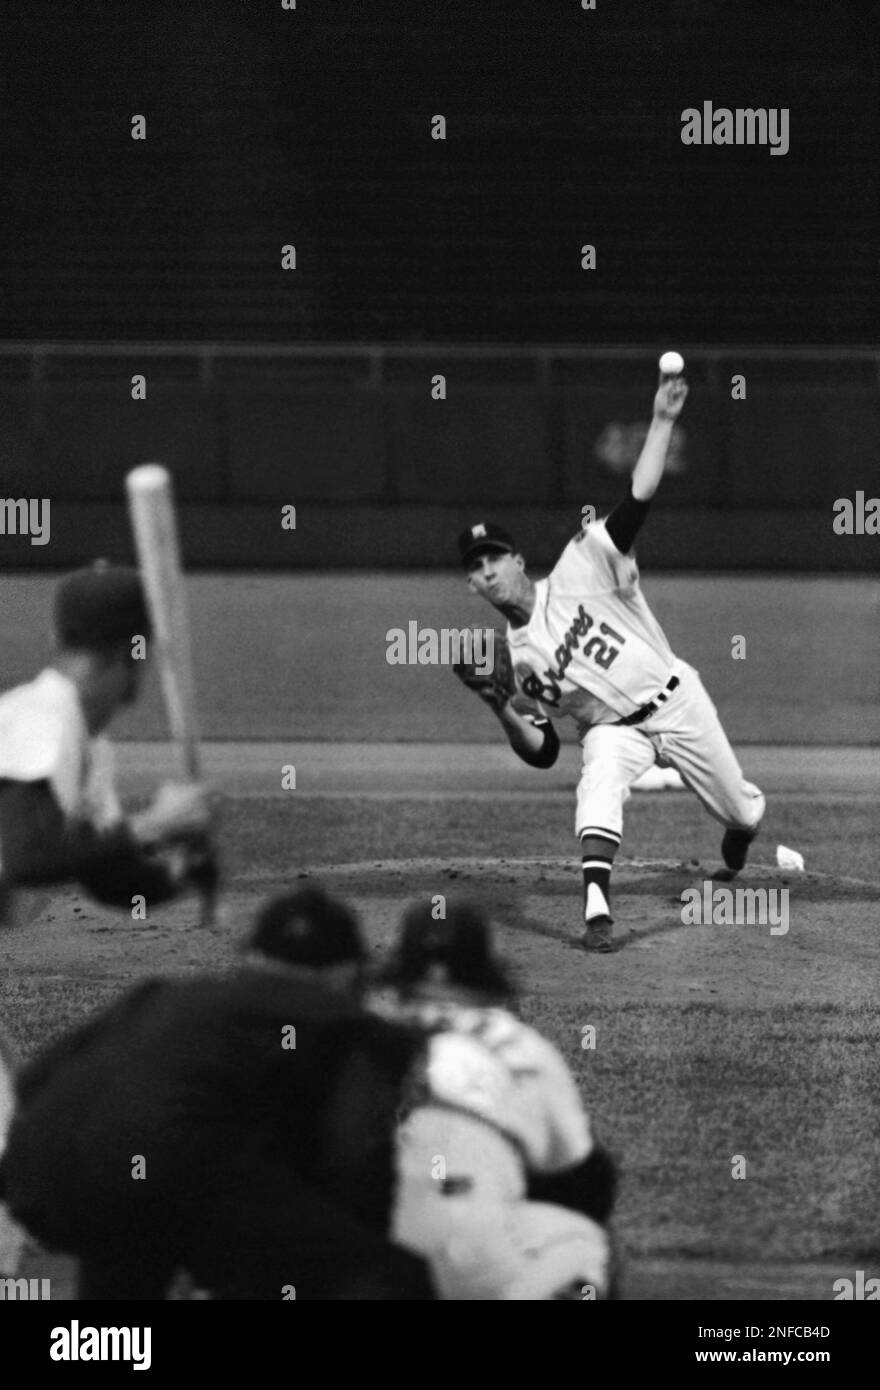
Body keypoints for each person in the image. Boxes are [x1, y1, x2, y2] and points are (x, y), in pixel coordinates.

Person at [454, 371, 765, 952]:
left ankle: (742, 828)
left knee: (739, 810)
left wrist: (664, 420)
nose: (487, 571)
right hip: (610, 731)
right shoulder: (514, 662)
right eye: (475, 568)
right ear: (472, 586)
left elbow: (636, 501)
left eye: (494, 557)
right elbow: (544, 752)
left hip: (676, 699)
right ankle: (597, 909)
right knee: (595, 781)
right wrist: (497, 705)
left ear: (519, 561)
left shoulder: (582, 563)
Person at [0, 887, 434, 1300]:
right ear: (347, 970)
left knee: (129, 1266)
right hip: (166, 1168)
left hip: (40, 1176)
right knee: (389, 1273)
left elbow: (34, 1081)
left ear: (252, 956)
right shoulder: (342, 1020)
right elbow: (355, 1156)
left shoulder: (160, 997)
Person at [370, 900, 618, 1299]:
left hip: (368, 1258)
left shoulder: (359, 1033)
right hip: (480, 1269)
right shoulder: (521, 1046)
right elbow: (586, 1183)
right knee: (584, 1243)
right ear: (486, 971)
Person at [0, 562, 214, 930]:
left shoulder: (88, 742)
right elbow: (26, 860)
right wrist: (153, 823)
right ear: (138, 650)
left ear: (56, 638)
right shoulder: (43, 721)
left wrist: (183, 864)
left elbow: (108, 879)